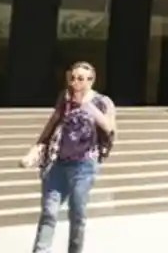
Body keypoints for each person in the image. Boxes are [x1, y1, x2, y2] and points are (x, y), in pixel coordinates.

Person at [22, 62, 116, 253]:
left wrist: (86, 106)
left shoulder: (102, 101)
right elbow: (52, 124)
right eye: (72, 78)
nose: (75, 83)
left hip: (84, 166)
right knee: (49, 211)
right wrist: (36, 147)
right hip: (58, 163)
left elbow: (109, 127)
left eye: (80, 79)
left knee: (77, 214)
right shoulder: (64, 100)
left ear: (91, 81)